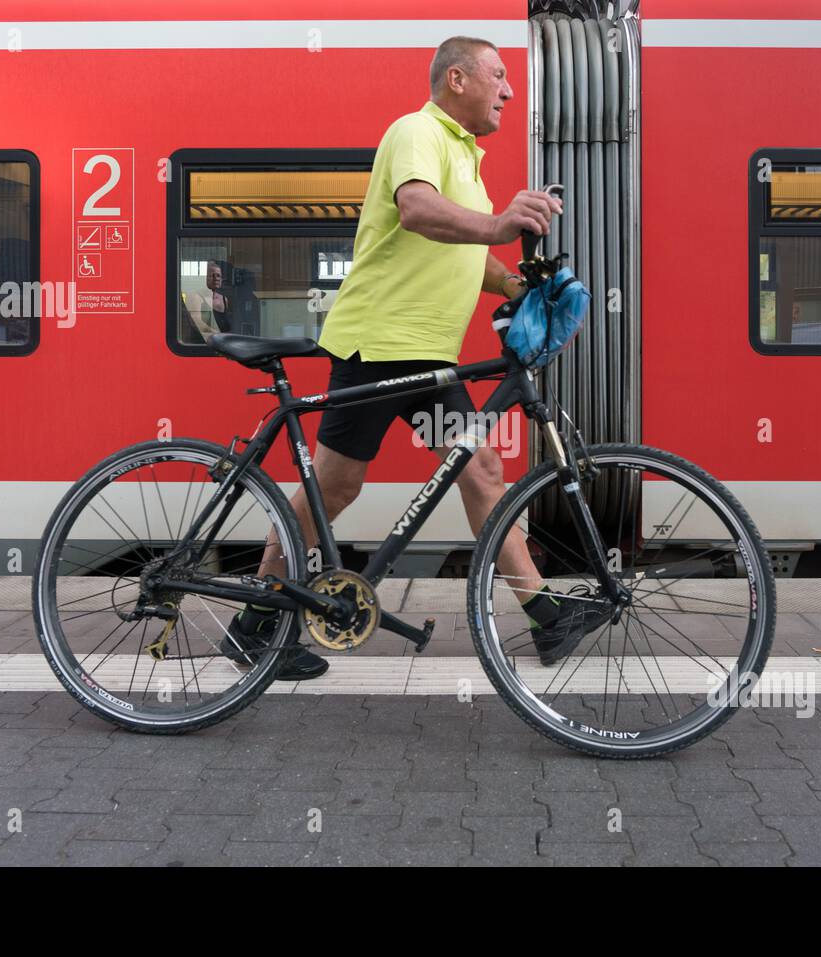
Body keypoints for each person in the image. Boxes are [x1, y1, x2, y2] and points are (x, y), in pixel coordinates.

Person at [222, 36, 612, 679]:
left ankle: (546, 615)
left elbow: (463, 248)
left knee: (481, 468)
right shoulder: (416, 131)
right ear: (456, 79)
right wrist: (499, 223)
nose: (509, 91)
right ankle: (256, 621)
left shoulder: (465, 156)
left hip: (426, 354)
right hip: (379, 345)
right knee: (339, 485)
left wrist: (520, 287)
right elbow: (417, 209)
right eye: (499, 75)